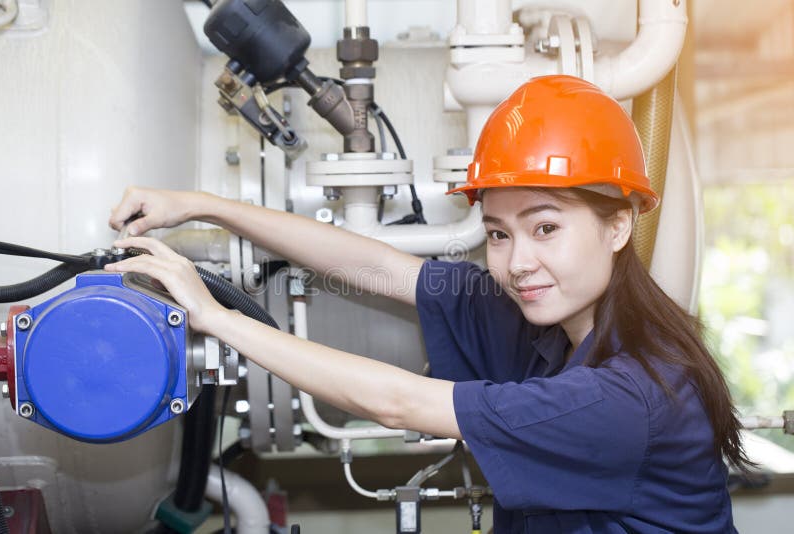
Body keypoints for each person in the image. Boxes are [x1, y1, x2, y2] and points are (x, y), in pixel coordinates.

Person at [106, 75, 749, 533]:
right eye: (498, 234)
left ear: (618, 226)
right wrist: (202, 206)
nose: (518, 262)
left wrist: (216, 317)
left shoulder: (633, 398)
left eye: (546, 227)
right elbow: (381, 267)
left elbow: (399, 403)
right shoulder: (539, 323)